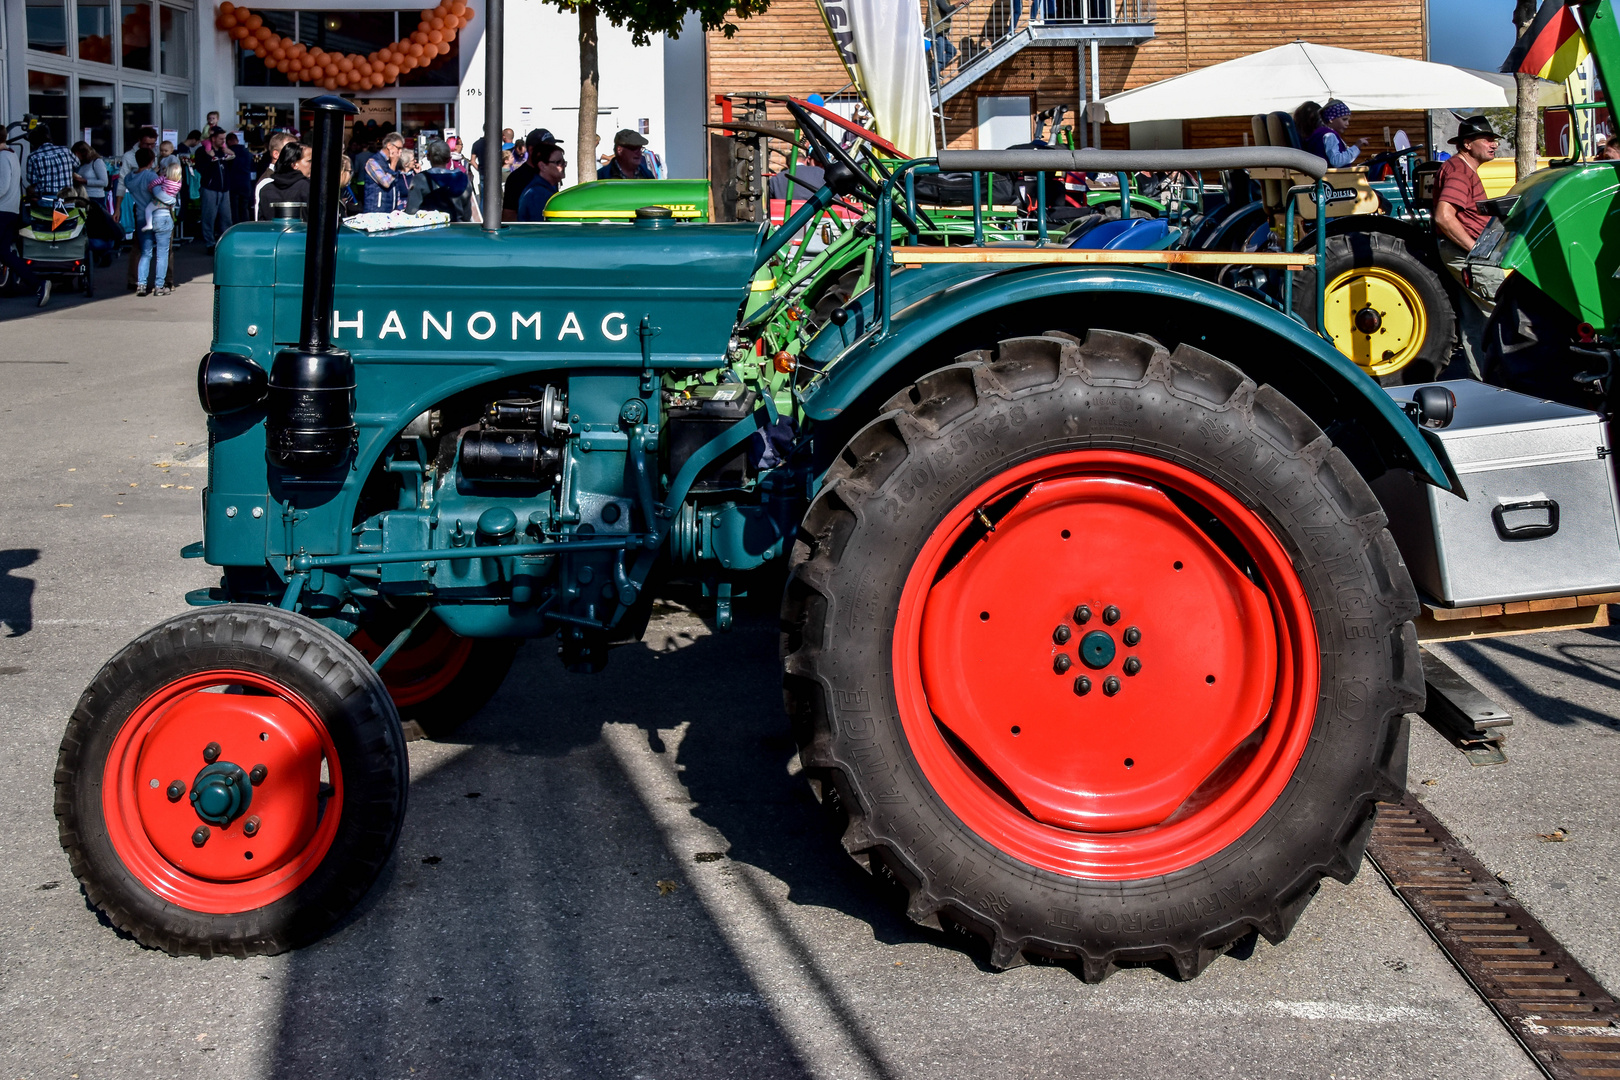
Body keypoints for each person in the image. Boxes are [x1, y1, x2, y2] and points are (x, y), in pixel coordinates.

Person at [1434, 114, 1503, 375]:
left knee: (1475, 324)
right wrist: (1476, 249)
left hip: (1461, 254)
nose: (1493, 143)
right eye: (1486, 139)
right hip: (1468, 256)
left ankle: (1486, 382)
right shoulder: (1460, 172)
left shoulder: (1459, 168)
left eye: (1494, 139)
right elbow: (1444, 216)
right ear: (1466, 144)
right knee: (1504, 314)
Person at [0, 134, 50, 306]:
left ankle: (38, 283)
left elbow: (2, 187)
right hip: (11, 210)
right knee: (4, 253)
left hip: (2, 211)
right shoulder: (12, 154)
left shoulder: (3, 157)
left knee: (4, 253)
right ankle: (38, 284)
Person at [138, 159, 180, 296]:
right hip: (165, 218)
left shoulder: (161, 181)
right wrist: (172, 201)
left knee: (146, 253)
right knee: (162, 254)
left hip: (152, 216)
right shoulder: (177, 184)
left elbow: (154, 188)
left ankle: (141, 284)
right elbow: (170, 199)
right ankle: (159, 286)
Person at [502, 128, 564, 221]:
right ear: (531, 150)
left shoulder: (549, 174)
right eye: (548, 148)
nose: (553, 151)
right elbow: (509, 214)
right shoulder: (517, 178)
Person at [406, 140, 472, 220]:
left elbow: (411, 212)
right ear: (449, 159)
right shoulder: (463, 179)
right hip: (457, 229)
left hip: (429, 229)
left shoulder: (420, 179)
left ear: (428, 157)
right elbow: (467, 215)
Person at [194, 127, 236, 251]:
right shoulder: (202, 151)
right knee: (209, 216)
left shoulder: (223, 151)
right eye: (221, 138)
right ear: (213, 138)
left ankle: (226, 243)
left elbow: (230, 166)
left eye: (224, 138)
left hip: (224, 189)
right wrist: (210, 158)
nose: (223, 141)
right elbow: (200, 168)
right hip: (210, 188)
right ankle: (210, 243)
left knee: (226, 217)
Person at [256, 140, 311, 220]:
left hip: (274, 232)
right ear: (294, 164)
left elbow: (262, 226)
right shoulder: (308, 188)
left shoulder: (265, 189)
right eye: (309, 161)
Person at [1301, 100, 1367, 167]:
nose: (1347, 124)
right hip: (1330, 176)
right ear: (1331, 119)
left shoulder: (1319, 132)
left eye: (1348, 120)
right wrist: (1356, 147)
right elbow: (1336, 161)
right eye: (1344, 119)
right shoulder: (1329, 135)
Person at [517, 142, 566, 221]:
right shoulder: (538, 194)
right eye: (558, 162)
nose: (563, 165)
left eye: (563, 162)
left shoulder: (543, 189)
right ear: (542, 166)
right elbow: (542, 229)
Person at [23, 127, 78, 198]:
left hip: (47, 197)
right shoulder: (65, 150)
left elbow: (32, 180)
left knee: (29, 190)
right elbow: (77, 163)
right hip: (68, 196)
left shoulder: (33, 157)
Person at [251, 132, 294, 219]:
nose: (295, 155)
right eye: (290, 151)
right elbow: (259, 218)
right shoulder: (267, 181)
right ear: (276, 154)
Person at [364, 132, 408, 212]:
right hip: (376, 211)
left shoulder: (391, 163)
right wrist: (393, 163)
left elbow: (396, 188)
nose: (400, 152)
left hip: (391, 212)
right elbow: (386, 183)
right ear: (389, 146)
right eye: (398, 148)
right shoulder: (373, 162)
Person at [225, 133, 256, 224]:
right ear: (237, 141)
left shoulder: (229, 153)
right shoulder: (248, 153)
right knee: (244, 207)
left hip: (233, 183)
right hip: (245, 183)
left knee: (234, 208)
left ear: (228, 142)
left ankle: (235, 228)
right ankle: (245, 227)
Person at [71, 142, 110, 213]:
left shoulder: (97, 162)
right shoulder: (81, 164)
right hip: (82, 197)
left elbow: (104, 182)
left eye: (76, 154)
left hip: (95, 197)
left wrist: (85, 181)